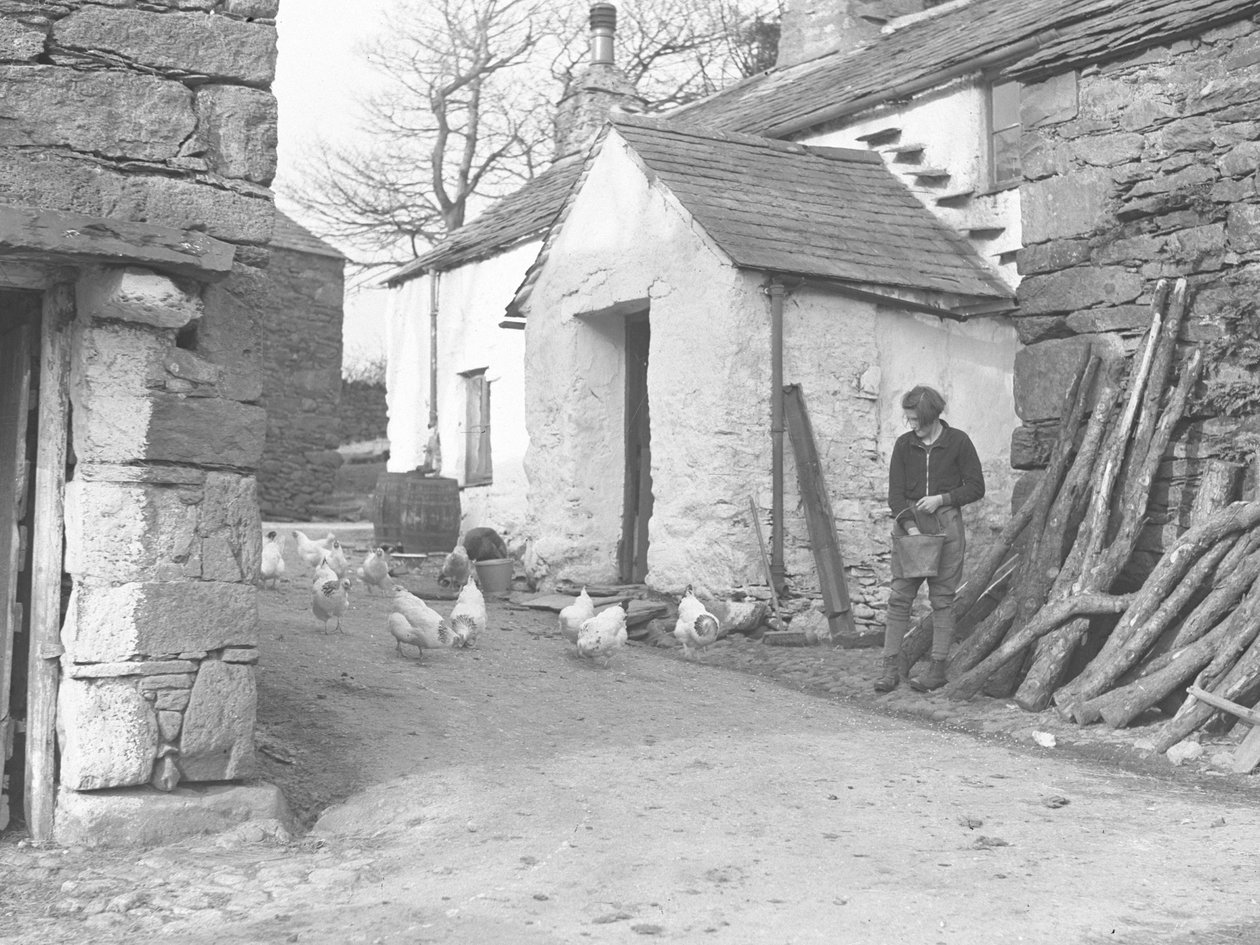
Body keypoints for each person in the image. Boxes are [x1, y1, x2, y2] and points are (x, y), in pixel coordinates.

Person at [876, 385, 985, 693]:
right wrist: (910, 529)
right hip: (909, 525)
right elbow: (895, 496)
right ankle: (890, 669)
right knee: (900, 598)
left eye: (916, 420)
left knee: (942, 600)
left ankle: (937, 669)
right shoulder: (903, 445)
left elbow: (976, 487)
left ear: (933, 416)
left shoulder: (959, 442)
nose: (912, 425)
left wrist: (942, 499)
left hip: (946, 527)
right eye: (909, 419)